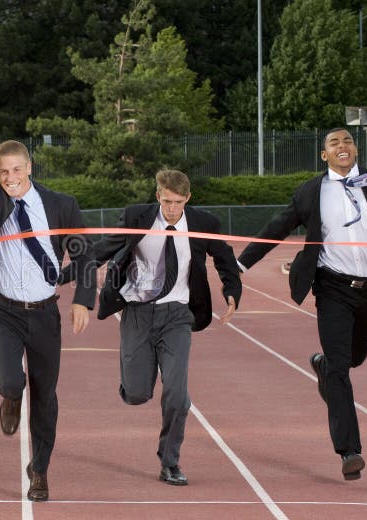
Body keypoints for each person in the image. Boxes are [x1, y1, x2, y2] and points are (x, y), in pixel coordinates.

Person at [0, 77, 97, 502]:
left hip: (45, 314)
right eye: (3, 171)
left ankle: (39, 470)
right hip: (6, 312)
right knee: (12, 381)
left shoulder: (62, 205)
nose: (10, 177)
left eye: (16, 170)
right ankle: (10, 397)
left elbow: (85, 254)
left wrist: (83, 301)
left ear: (29, 168)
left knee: (45, 397)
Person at [238, 128, 367, 481]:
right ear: (324, 155)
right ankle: (350, 451)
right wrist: (239, 265)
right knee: (340, 369)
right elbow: (276, 228)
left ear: (355, 150)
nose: (342, 146)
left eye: (347, 141)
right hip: (332, 288)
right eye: (334, 143)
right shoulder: (310, 192)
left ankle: (323, 365)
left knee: (353, 358)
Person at [94, 169, 241, 486]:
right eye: (166, 201)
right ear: (158, 195)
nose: (172, 209)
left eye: (178, 202)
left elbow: (225, 257)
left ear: (188, 198)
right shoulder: (136, 217)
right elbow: (102, 249)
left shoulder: (203, 223)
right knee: (136, 393)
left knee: (176, 393)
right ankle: (136, 380)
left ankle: (170, 461)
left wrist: (232, 291)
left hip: (177, 315)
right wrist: (62, 275)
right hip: (137, 311)